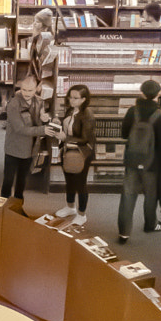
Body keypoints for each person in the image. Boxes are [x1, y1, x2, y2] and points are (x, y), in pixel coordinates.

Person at [117, 80, 161, 243]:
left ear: (141, 92)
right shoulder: (160, 116)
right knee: (151, 195)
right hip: (152, 163)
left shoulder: (132, 111)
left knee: (128, 195)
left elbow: (124, 134)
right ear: (158, 94)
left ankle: (124, 233)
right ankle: (151, 224)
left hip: (132, 160)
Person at [1, 81, 47, 208]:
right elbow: (19, 129)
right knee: (8, 179)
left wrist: (46, 119)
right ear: (20, 88)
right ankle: (3, 205)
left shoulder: (39, 102)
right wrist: (42, 130)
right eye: (24, 90)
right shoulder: (13, 104)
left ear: (36, 89)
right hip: (14, 147)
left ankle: (18, 205)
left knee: (22, 179)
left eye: (30, 90)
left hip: (30, 148)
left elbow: (39, 121)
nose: (27, 93)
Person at [58, 82, 96, 221]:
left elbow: (85, 138)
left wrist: (65, 138)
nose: (71, 100)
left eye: (75, 98)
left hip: (82, 153)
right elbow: (67, 126)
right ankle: (70, 207)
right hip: (68, 151)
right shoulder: (70, 110)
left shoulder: (87, 115)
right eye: (70, 97)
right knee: (69, 180)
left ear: (83, 99)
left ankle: (81, 214)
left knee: (80, 183)